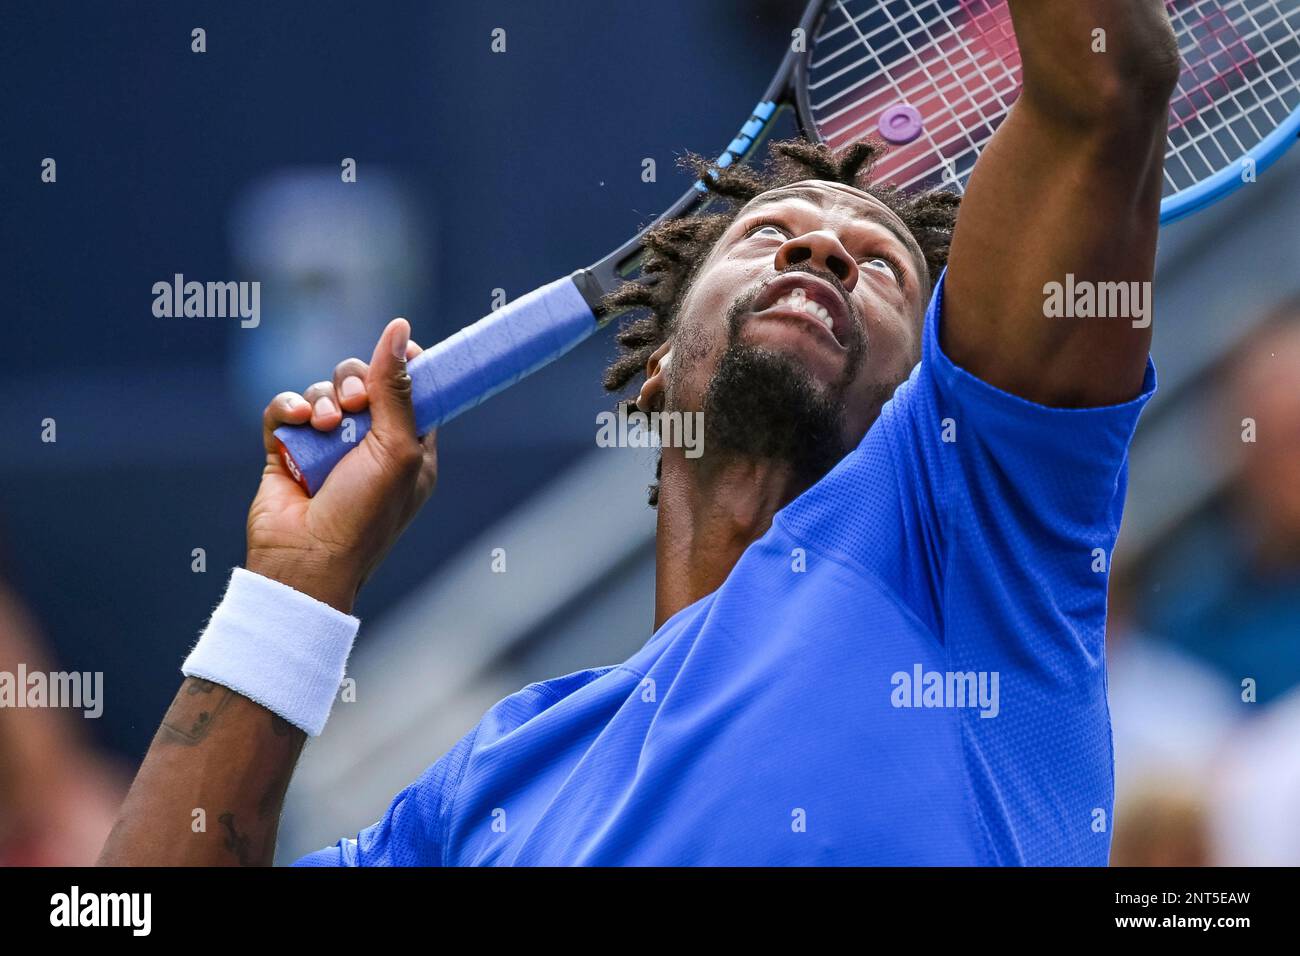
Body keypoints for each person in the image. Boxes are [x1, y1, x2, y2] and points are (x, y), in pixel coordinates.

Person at [99, 1, 1180, 866]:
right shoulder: (495, 783)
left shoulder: (979, 538)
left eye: (882, 265)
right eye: (770, 232)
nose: (822, 252)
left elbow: (1104, 81)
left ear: (929, 387)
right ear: (657, 369)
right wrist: (295, 587)